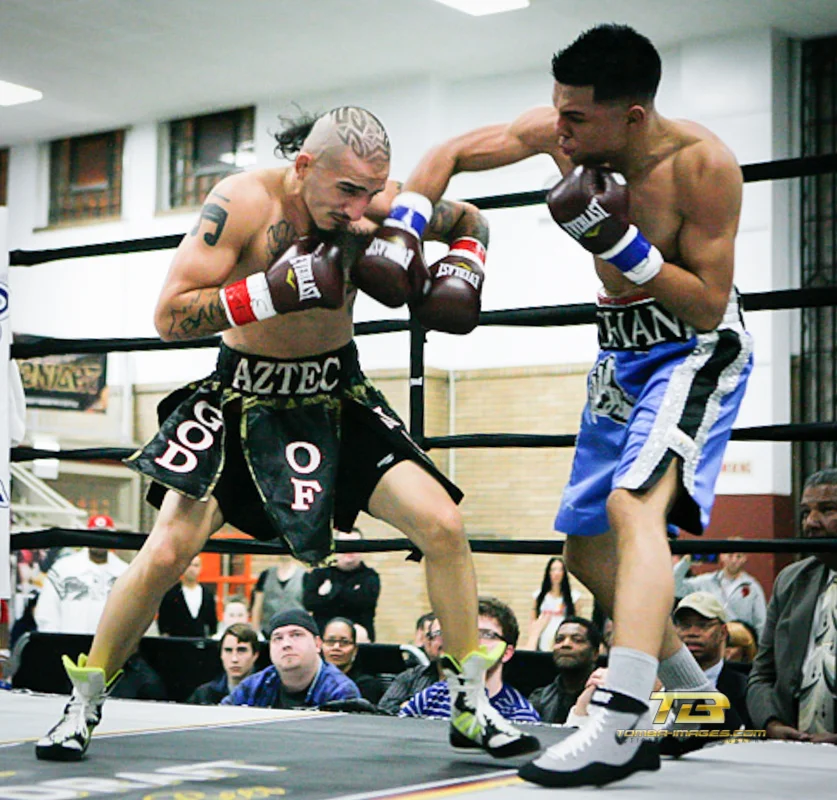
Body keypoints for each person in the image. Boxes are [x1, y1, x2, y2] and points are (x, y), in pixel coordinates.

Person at [36, 105, 537, 761]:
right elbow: (168, 314)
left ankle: (471, 702)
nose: (361, 209)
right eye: (347, 191)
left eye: (371, 191)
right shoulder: (239, 202)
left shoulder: (377, 204)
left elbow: (470, 219)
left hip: (335, 393)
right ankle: (84, 704)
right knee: (164, 554)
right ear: (304, 167)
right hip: (245, 395)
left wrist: (465, 261)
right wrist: (269, 292)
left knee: (442, 525)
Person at [403, 23, 753, 787]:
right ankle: (698, 705)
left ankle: (618, 721)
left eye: (574, 120)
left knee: (634, 510)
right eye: (555, 114)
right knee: (587, 553)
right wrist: (404, 227)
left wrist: (619, 242)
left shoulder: (702, 166)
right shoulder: (566, 133)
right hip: (618, 357)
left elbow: (705, 304)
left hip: (691, 350)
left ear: (630, 115)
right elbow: (451, 154)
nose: (555, 133)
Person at [747, 469, 837, 744]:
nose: (811, 522)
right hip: (793, 750)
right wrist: (770, 721)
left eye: (827, 509)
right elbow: (761, 674)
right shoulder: (791, 580)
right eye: (805, 512)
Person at [398, 598, 539, 723]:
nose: (473, 641)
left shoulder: (520, 716)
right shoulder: (432, 696)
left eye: (485, 634)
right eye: (467, 632)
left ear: (506, 653)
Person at [221, 610, 357, 708]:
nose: (286, 644)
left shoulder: (340, 692)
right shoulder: (253, 687)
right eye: (278, 638)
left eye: (296, 635)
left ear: (317, 644)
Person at [34, 516, 129, 635]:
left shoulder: (125, 572)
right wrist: (54, 642)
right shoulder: (63, 569)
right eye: (95, 535)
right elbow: (47, 611)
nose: (99, 540)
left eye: (105, 535)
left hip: (111, 649)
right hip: (68, 645)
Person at [672, 592, 751, 729]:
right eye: (685, 625)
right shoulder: (660, 684)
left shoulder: (747, 689)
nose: (692, 633)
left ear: (723, 632)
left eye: (703, 625)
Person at [673, 541, 767, 637]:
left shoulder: (752, 587)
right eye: (730, 555)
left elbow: (761, 622)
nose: (734, 560)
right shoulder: (705, 581)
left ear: (744, 558)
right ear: (722, 556)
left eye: (739, 556)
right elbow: (675, 587)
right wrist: (686, 562)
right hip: (711, 638)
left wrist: (761, 649)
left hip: (740, 639)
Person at [303, 529, 380, 641]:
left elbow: (364, 603)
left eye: (355, 545)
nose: (349, 550)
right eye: (344, 545)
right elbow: (309, 602)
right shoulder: (319, 573)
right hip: (323, 639)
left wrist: (331, 592)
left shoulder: (370, 577)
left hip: (359, 639)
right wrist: (350, 593)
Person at [528, 617, 601, 724]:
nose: (565, 644)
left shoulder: (608, 698)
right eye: (559, 639)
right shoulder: (540, 698)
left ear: (595, 653)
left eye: (577, 640)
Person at [378, 615, 444, 715]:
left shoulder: (474, 684)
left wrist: (411, 706)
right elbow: (383, 710)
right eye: (440, 634)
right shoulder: (411, 676)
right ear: (428, 642)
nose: (451, 641)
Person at [188, 622, 261, 705]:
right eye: (228, 650)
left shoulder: (268, 693)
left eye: (241, 650)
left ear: (255, 655)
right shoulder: (204, 695)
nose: (234, 659)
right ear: (221, 655)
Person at [321, 616, 385, 703]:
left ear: (355, 649)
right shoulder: (310, 682)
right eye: (330, 641)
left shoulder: (368, 685)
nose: (336, 647)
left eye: (344, 642)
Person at [526, 556, 580, 651]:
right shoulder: (539, 596)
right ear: (549, 572)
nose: (556, 573)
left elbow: (578, 622)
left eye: (560, 570)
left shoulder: (574, 597)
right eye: (553, 570)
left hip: (563, 642)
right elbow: (533, 621)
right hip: (542, 640)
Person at [157, 555, 217, 638]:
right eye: (189, 565)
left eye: (196, 565)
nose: (192, 569)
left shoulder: (207, 594)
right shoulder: (171, 593)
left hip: (200, 643)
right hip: (176, 643)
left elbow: (212, 624)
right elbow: (163, 623)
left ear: (201, 568)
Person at [250, 555, 306, 637]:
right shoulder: (265, 575)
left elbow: (308, 609)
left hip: (296, 631)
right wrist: (255, 632)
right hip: (268, 631)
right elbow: (257, 605)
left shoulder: (304, 575)